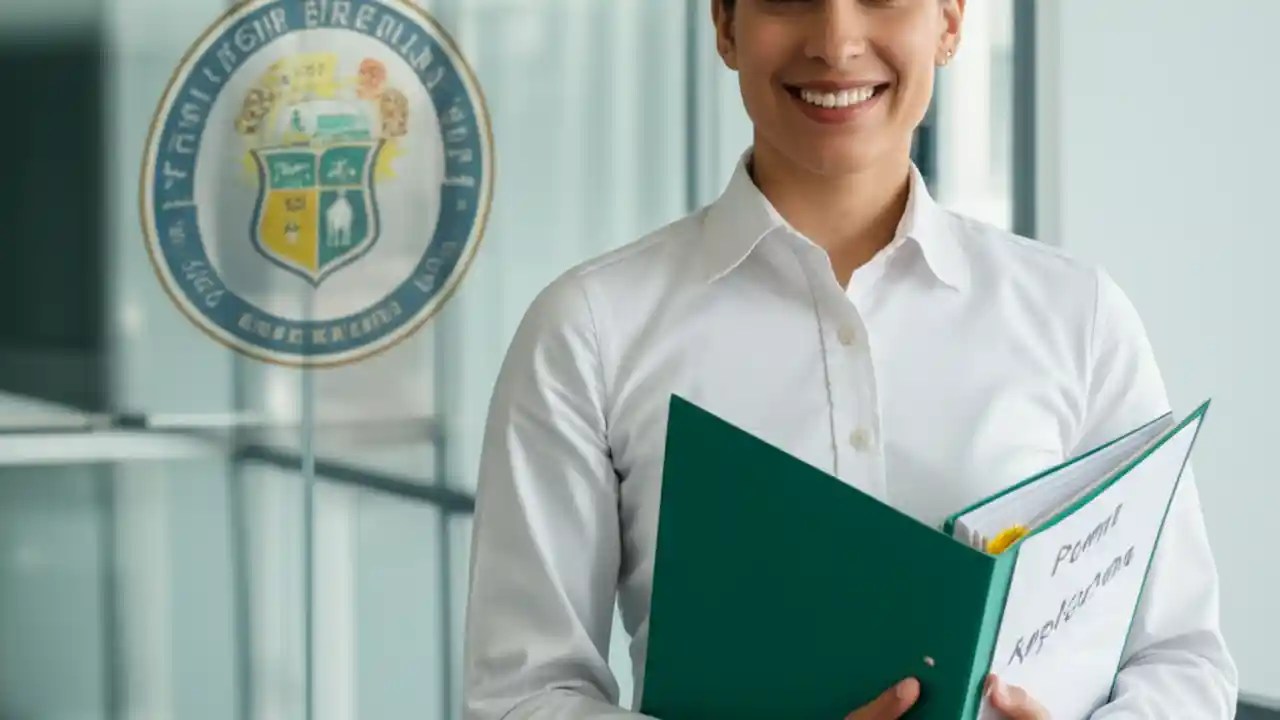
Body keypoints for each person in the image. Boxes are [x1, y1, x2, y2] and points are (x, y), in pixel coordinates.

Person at [461, 0, 1239, 718]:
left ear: (950, 20)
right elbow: (522, 697)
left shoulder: (1078, 318)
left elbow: (1181, 661)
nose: (836, 42)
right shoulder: (589, 332)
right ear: (725, 25)